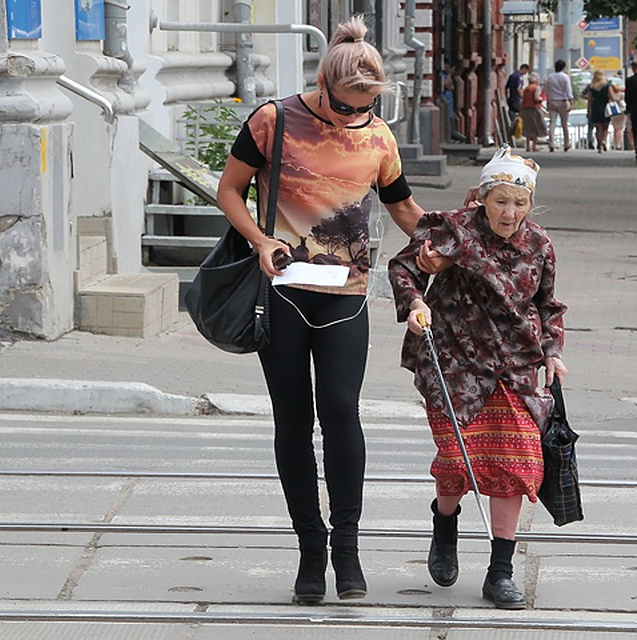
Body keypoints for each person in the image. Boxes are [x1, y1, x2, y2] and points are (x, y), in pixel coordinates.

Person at [215, 16, 435, 606]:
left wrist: (449, 246)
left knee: (341, 410)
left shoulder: (379, 138)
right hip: (282, 292)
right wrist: (261, 242)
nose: (351, 119)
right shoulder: (273, 119)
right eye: (344, 107)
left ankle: (347, 549)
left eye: (364, 107)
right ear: (325, 85)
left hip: (346, 295)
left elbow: (404, 210)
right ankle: (309, 551)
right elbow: (229, 188)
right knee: (293, 418)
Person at [388, 147, 567, 610]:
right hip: (455, 364)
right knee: (455, 463)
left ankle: (500, 571)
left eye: (520, 203)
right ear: (483, 197)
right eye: (501, 201)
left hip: (515, 368)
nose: (510, 212)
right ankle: (445, 524)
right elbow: (403, 266)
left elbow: (548, 306)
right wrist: (416, 304)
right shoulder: (454, 230)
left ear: (530, 204)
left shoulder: (539, 244)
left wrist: (553, 352)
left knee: (516, 466)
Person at [543, 59, 573, 152]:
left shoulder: (550, 77)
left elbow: (546, 89)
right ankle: (566, 144)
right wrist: (571, 101)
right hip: (563, 102)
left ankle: (551, 143)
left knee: (552, 123)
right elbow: (568, 90)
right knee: (564, 124)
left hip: (552, 101)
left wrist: (548, 101)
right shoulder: (565, 77)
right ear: (563, 67)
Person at [586, 70, 615, 153]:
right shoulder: (607, 85)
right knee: (605, 127)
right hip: (605, 107)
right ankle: (603, 141)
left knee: (598, 128)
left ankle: (599, 146)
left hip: (595, 107)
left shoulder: (592, 86)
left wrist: (588, 111)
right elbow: (612, 96)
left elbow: (589, 100)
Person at [520, 72, 547, 152]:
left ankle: (528, 146)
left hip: (525, 109)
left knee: (528, 128)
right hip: (534, 109)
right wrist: (541, 99)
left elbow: (523, 100)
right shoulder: (536, 88)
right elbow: (536, 98)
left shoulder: (526, 89)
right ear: (535, 80)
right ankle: (534, 146)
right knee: (535, 127)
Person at [609, 78, 628, 150]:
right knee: (620, 129)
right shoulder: (621, 94)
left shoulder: (611, 95)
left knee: (615, 129)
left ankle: (615, 143)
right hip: (621, 112)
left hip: (614, 112)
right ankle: (618, 145)